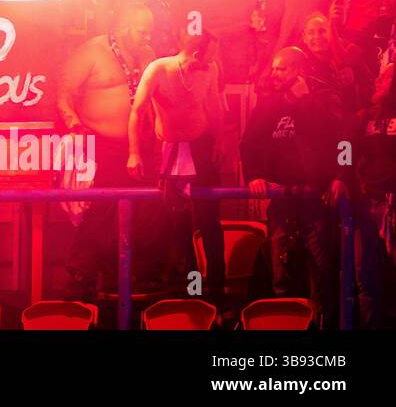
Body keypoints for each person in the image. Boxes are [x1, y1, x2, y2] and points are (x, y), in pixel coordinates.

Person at [56, 3, 159, 297]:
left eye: (150, 32)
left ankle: (127, 275)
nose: (147, 38)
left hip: (140, 145)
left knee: (146, 209)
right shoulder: (92, 52)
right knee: (100, 209)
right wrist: (74, 125)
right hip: (102, 144)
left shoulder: (147, 55)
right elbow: (63, 91)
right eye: (142, 31)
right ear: (123, 28)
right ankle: (81, 275)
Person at [241, 47, 347, 326]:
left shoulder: (321, 98)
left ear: (299, 70)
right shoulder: (267, 103)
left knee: (322, 274)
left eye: (282, 69)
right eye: (274, 68)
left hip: (315, 199)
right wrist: (253, 175)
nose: (275, 74)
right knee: (281, 272)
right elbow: (248, 143)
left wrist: (304, 101)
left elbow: (336, 137)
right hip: (282, 198)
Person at [127, 32, 227, 307]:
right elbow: (137, 111)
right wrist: (133, 153)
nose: (214, 60)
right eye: (211, 54)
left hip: (201, 148)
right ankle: (191, 292)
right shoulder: (160, 69)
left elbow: (215, 107)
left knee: (209, 223)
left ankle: (217, 293)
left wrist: (220, 140)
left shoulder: (210, 70)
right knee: (179, 225)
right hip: (172, 151)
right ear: (196, 55)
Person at [345, 60, 396, 328]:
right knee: (367, 277)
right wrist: (343, 180)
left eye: (385, 79)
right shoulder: (364, 116)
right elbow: (343, 146)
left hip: (392, 201)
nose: (378, 83)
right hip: (367, 203)